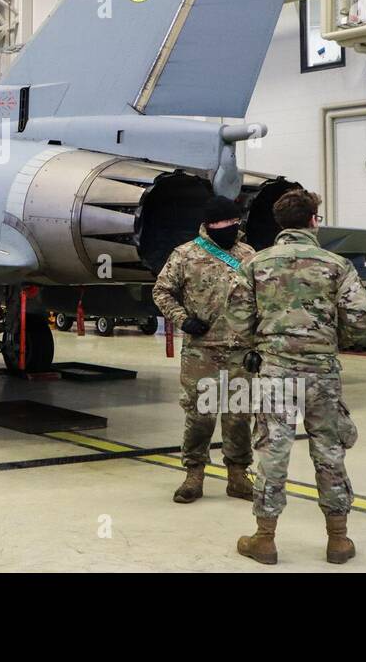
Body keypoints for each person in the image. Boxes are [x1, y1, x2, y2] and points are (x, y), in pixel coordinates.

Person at [227, 189, 366, 565]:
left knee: (273, 451)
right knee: (329, 450)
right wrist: (330, 340)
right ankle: (338, 540)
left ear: (279, 224)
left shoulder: (256, 264)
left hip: (275, 372)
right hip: (322, 373)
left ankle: (265, 539)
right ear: (313, 221)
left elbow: (237, 317)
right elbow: (359, 316)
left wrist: (260, 342)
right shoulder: (336, 264)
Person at [152, 195, 257, 504]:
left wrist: (259, 344)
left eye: (233, 222)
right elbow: (161, 291)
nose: (228, 228)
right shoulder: (185, 255)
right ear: (209, 225)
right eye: (221, 223)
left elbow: (261, 302)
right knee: (200, 414)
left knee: (239, 415)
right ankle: (194, 473)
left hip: (240, 350)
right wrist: (183, 320)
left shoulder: (250, 256)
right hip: (202, 351)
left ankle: (238, 474)